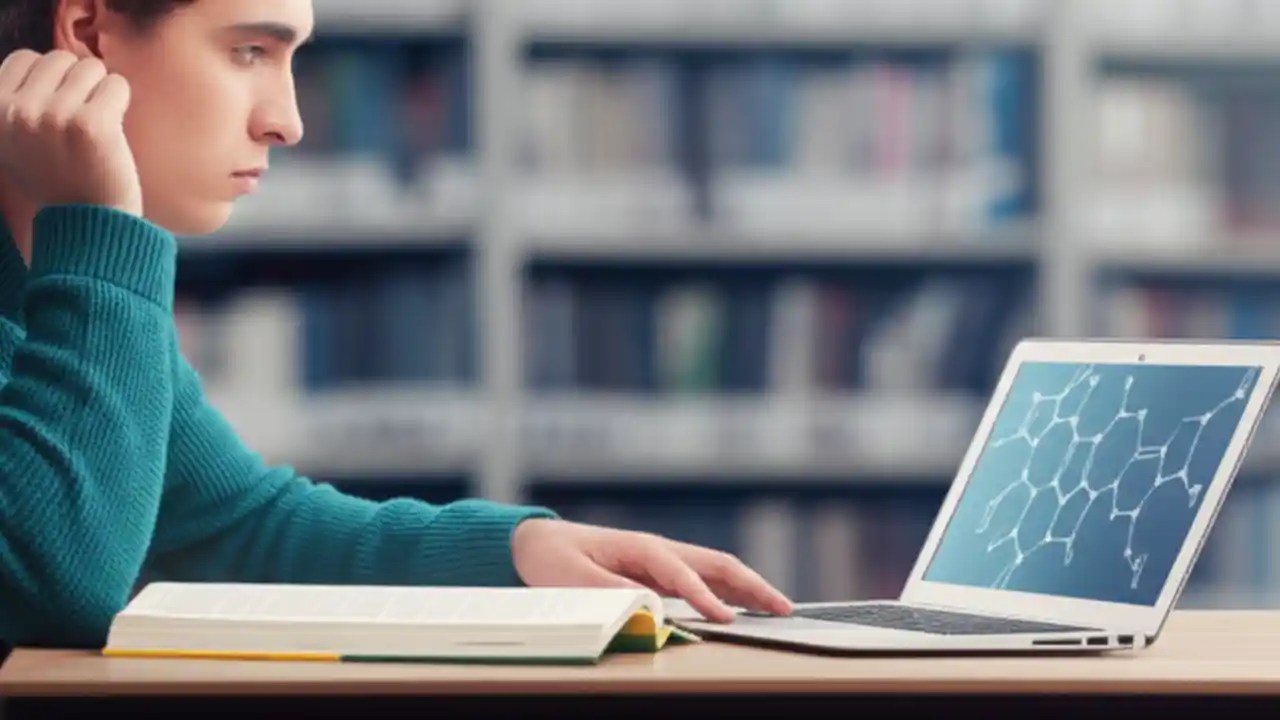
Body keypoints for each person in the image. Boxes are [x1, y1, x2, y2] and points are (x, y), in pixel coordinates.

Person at [0, 0, 793, 654]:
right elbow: (51, 584)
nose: (288, 122)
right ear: (86, 32)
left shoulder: (63, 274)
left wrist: (513, 553)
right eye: (248, 52)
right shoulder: (93, 267)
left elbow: (235, 526)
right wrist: (100, 224)